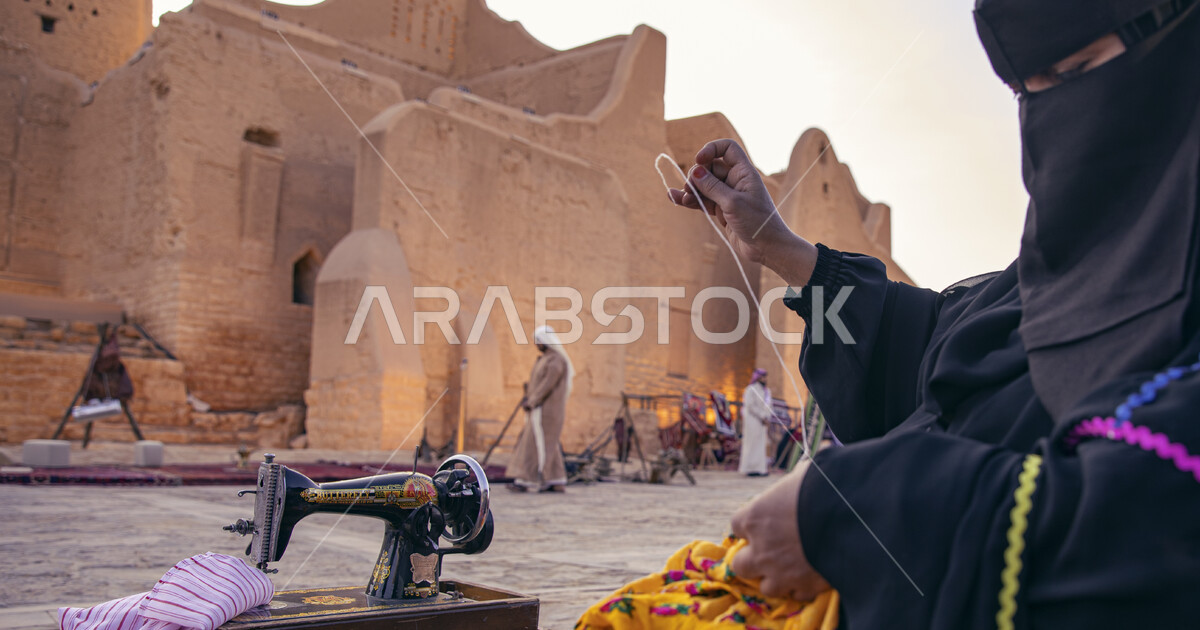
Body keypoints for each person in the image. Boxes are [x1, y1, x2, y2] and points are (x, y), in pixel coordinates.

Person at [667, 0, 1200, 626]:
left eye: (1075, 71)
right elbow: (946, 349)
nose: (1049, 113)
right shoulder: (1072, 259)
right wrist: (778, 248)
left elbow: (1145, 523)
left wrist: (859, 516)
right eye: (1027, 92)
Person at [506, 325, 575, 493]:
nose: (536, 345)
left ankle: (525, 480)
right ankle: (556, 480)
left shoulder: (556, 360)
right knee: (549, 444)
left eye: (538, 341)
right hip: (539, 408)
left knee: (534, 444)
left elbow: (547, 385)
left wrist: (533, 401)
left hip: (545, 411)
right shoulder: (546, 359)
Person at [739, 368, 772, 477]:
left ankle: (760, 469)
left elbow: (768, 407)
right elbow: (750, 405)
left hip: (762, 423)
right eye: (762, 377)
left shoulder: (766, 392)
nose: (764, 379)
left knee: (761, 445)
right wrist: (762, 416)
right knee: (751, 444)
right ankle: (749, 468)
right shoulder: (750, 390)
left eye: (765, 377)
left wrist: (767, 417)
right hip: (752, 421)